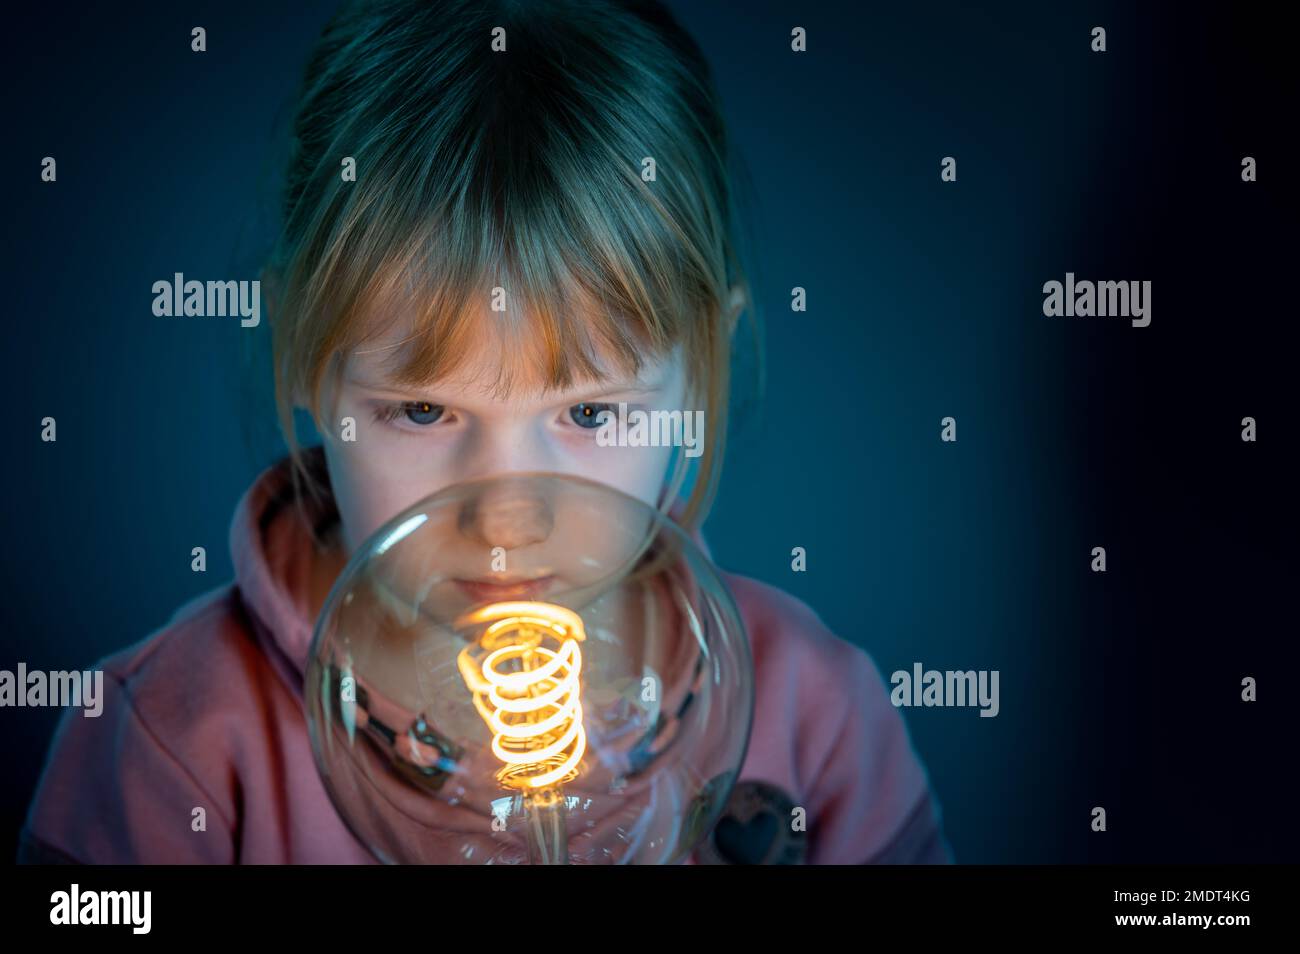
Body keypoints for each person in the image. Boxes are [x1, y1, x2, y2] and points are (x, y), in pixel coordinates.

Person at [19, 0, 950, 864]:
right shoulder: (171, 746)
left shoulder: (815, 717)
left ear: (704, 367)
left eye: (589, 412)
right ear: (299, 352)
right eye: (423, 411)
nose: (506, 519)